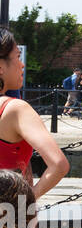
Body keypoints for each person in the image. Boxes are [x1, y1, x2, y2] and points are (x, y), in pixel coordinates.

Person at [0, 28, 70, 200]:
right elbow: (59, 165)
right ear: (1, 67)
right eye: (17, 56)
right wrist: (27, 201)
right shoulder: (16, 109)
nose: (22, 64)